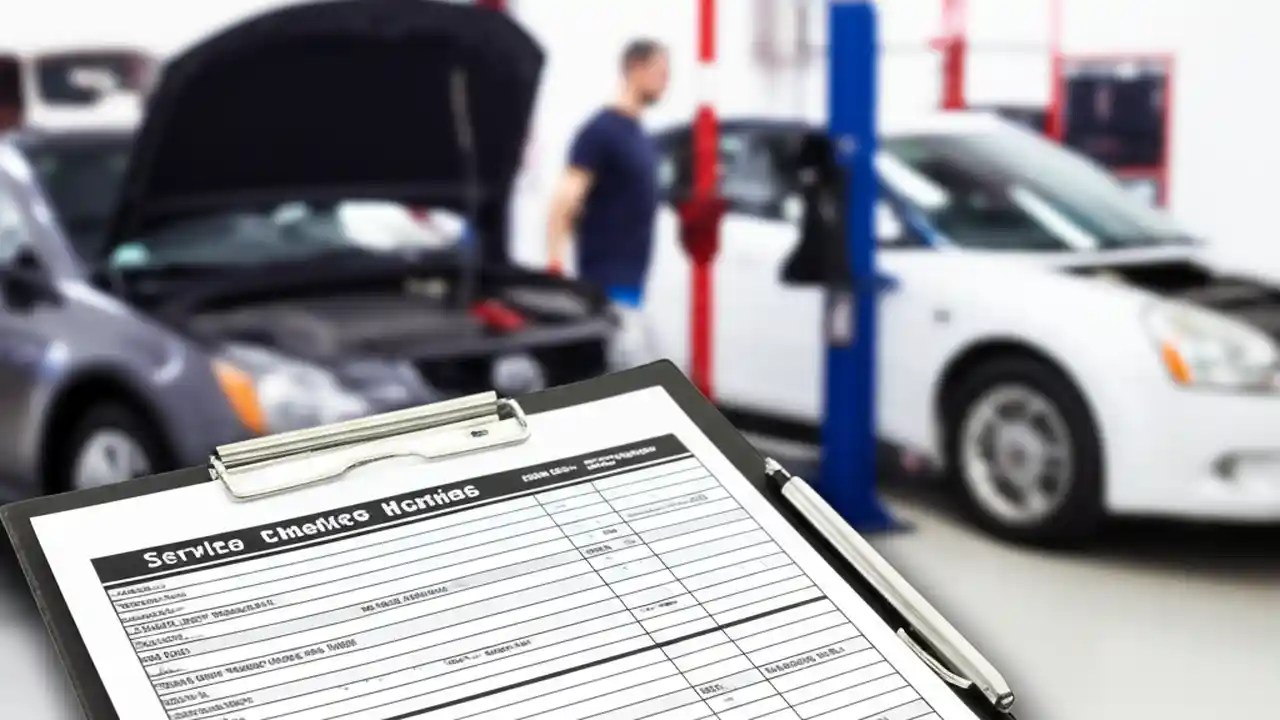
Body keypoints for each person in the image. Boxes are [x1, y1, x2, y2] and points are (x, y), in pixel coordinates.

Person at [546, 39, 670, 367]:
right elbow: (564, 202)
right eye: (660, 72)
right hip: (605, 290)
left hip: (632, 287)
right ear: (635, 69)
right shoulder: (600, 132)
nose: (666, 81)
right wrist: (555, 266)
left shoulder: (641, 137)